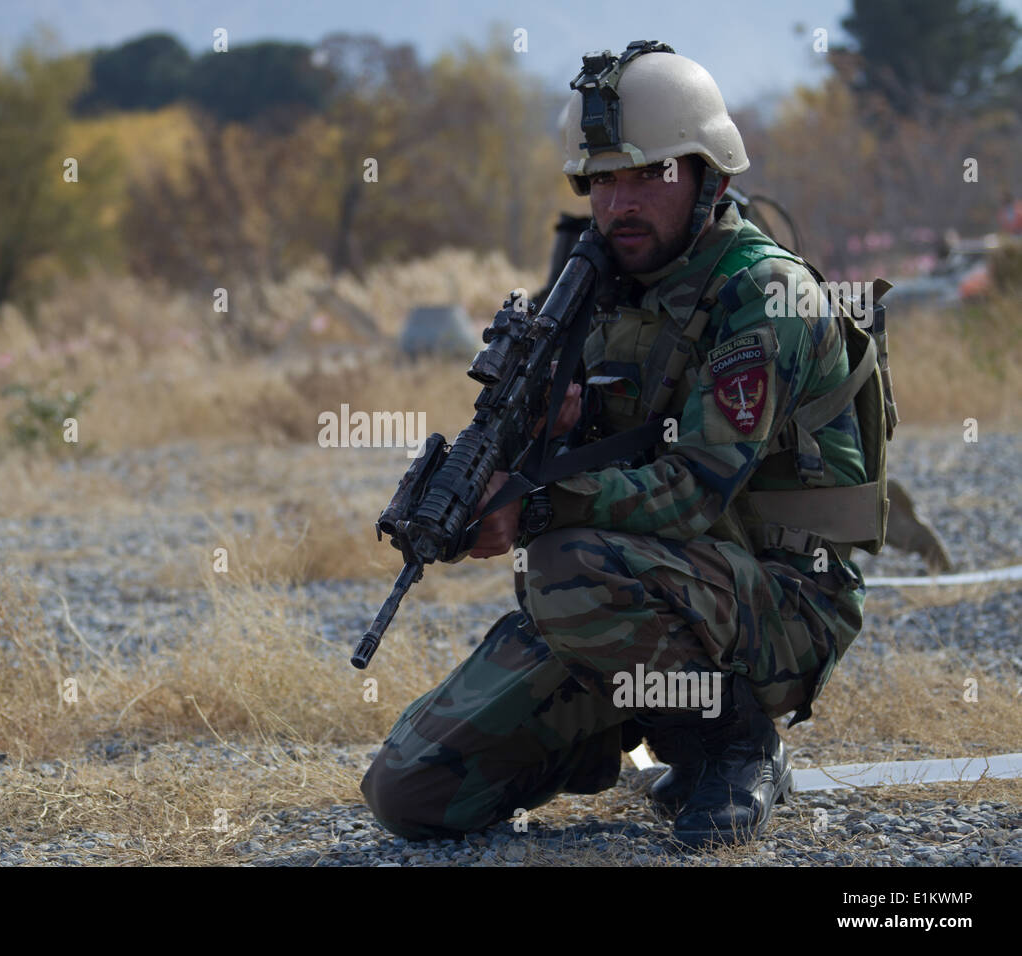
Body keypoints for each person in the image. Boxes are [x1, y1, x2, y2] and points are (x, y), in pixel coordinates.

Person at [360, 41, 881, 848]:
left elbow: (692, 490)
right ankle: (622, 705)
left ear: (710, 176)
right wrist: (541, 441)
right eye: (602, 179)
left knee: (563, 563)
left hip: (783, 601)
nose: (619, 203)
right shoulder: (601, 288)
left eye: (649, 175)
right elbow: (598, 462)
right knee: (412, 794)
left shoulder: (764, 294)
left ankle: (732, 744)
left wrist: (532, 504)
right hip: (640, 594)